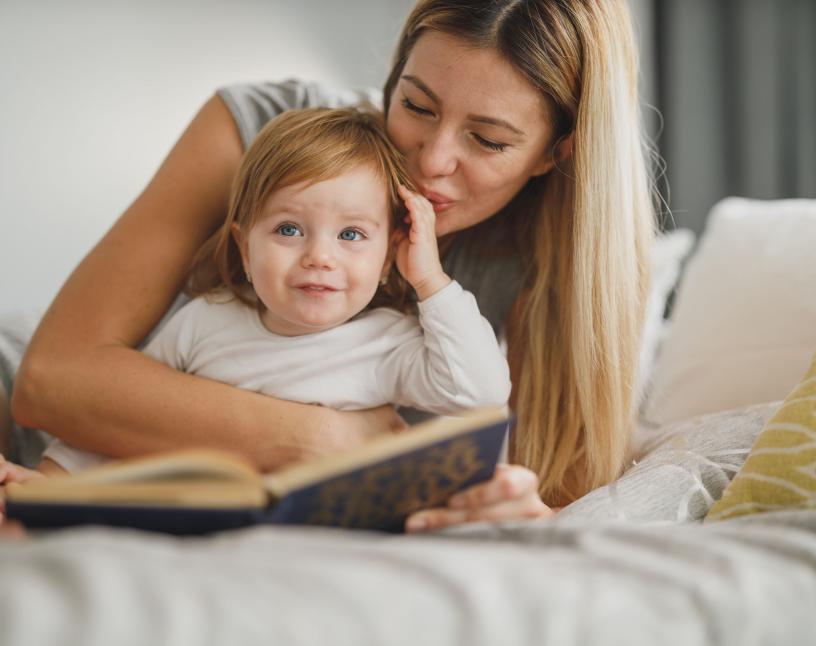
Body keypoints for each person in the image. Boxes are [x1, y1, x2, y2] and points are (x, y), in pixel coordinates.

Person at [7, 0, 654, 530]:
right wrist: (328, 445)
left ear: (556, 152)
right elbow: (52, 381)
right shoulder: (265, 129)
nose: (430, 162)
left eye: (487, 140)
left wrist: (520, 510)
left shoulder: (563, 267)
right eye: (416, 105)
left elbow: (546, 482)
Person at [35, 106, 511, 476]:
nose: (319, 257)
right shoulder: (204, 322)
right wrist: (46, 484)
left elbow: (481, 392)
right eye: (288, 230)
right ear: (245, 248)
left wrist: (429, 279)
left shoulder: (388, 344)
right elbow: (115, 418)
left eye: (350, 235)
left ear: (388, 257)